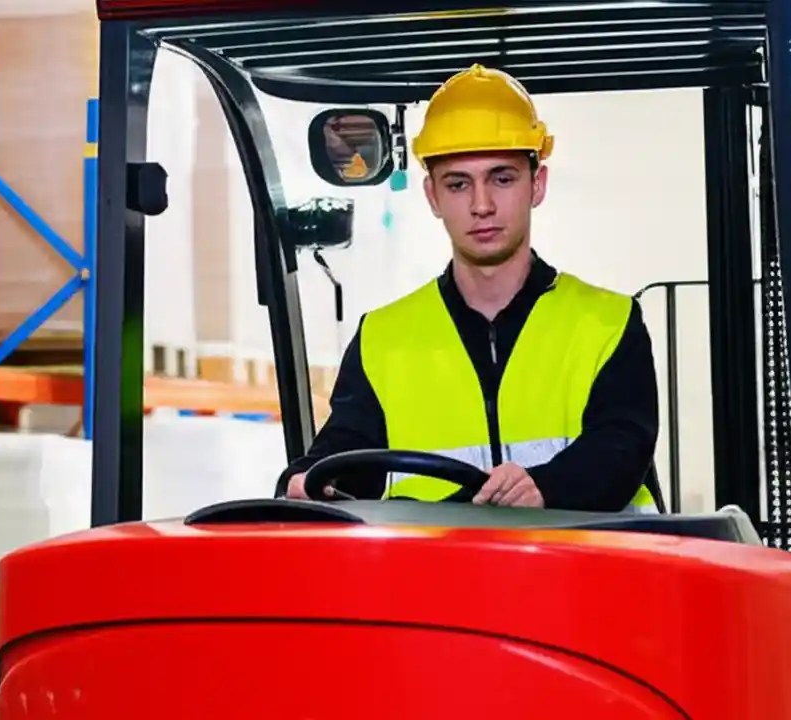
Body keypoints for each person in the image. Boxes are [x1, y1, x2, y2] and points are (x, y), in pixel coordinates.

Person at [278, 63, 660, 513]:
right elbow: (346, 448)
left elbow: (620, 446)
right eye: (458, 184)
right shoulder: (383, 337)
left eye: (502, 178)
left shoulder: (608, 323)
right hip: (438, 576)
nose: (482, 205)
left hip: (585, 572)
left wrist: (547, 487)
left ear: (536, 185)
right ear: (433, 197)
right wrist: (307, 480)